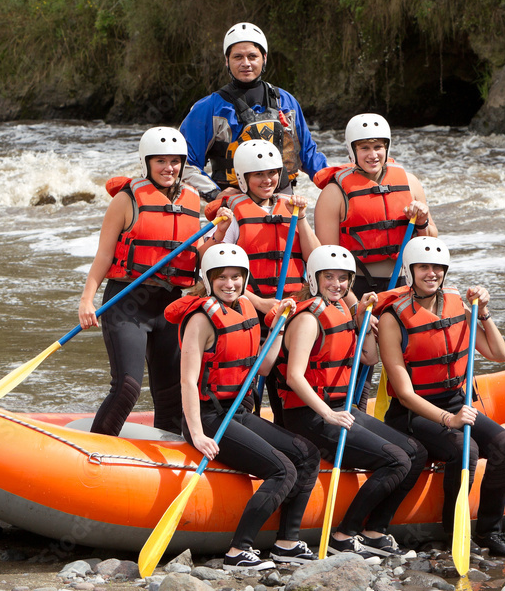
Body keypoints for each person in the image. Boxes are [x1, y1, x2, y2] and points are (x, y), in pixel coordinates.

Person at [166, 244, 320, 570]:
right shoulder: (201, 320)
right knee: (282, 470)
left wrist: (278, 326)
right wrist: (196, 433)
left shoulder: (246, 306)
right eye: (221, 277)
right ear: (208, 280)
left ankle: (286, 543)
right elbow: (188, 382)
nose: (230, 283)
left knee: (307, 453)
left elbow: (263, 368)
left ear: (245, 278)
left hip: (237, 411)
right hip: (209, 417)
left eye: (236, 276)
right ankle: (238, 552)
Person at [78, 127, 233, 437]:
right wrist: (87, 299)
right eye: (160, 161)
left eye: (175, 161)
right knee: (128, 387)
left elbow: (195, 254)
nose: (169, 168)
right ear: (146, 163)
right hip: (127, 303)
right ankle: (96, 451)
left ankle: (166, 461)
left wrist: (217, 234)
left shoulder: (191, 199)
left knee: (171, 394)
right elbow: (104, 255)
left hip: (171, 307)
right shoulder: (126, 200)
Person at [276, 245, 427, 560]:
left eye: (343, 278)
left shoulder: (344, 309)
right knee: (396, 460)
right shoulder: (307, 318)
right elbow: (294, 377)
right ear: (314, 278)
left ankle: (375, 532)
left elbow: (369, 357)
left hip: (340, 410)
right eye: (329, 277)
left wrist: (364, 318)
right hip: (310, 416)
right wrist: (328, 414)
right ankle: (344, 534)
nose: (337, 284)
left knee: (417, 452)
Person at [376, 237, 505, 558]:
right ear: (410, 271)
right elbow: (403, 392)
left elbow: (499, 354)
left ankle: (490, 531)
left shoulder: (460, 305)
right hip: (413, 414)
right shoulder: (392, 319)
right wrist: (449, 420)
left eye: (438, 268)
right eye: (424, 267)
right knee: (464, 449)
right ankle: (454, 529)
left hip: (456, 402)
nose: (432, 274)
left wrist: (483, 313)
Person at [313, 113, 438, 409]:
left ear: (388, 147)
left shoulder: (409, 183)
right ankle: (353, 411)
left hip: (403, 285)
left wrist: (421, 221)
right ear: (352, 151)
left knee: (412, 351)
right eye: (365, 148)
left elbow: (431, 242)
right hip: (357, 287)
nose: (373, 154)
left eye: (379, 146)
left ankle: (410, 415)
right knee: (362, 358)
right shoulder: (334, 193)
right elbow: (327, 262)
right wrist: (352, 305)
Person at [203, 139, 322, 424]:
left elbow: (316, 258)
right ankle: (248, 432)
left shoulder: (291, 206)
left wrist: (302, 218)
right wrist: (259, 302)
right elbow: (216, 269)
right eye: (258, 175)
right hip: (252, 309)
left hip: (292, 308)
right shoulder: (233, 213)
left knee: (286, 379)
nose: (267, 180)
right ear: (243, 179)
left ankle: (292, 435)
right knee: (253, 378)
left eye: (272, 173)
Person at [179, 22, 327, 201]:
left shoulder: (286, 102)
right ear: (227, 61)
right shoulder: (208, 108)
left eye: (252, 56)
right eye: (238, 57)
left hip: (281, 199)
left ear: (264, 58)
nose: (246, 63)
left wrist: (334, 182)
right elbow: (183, 163)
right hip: (234, 204)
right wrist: (215, 193)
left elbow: (308, 155)